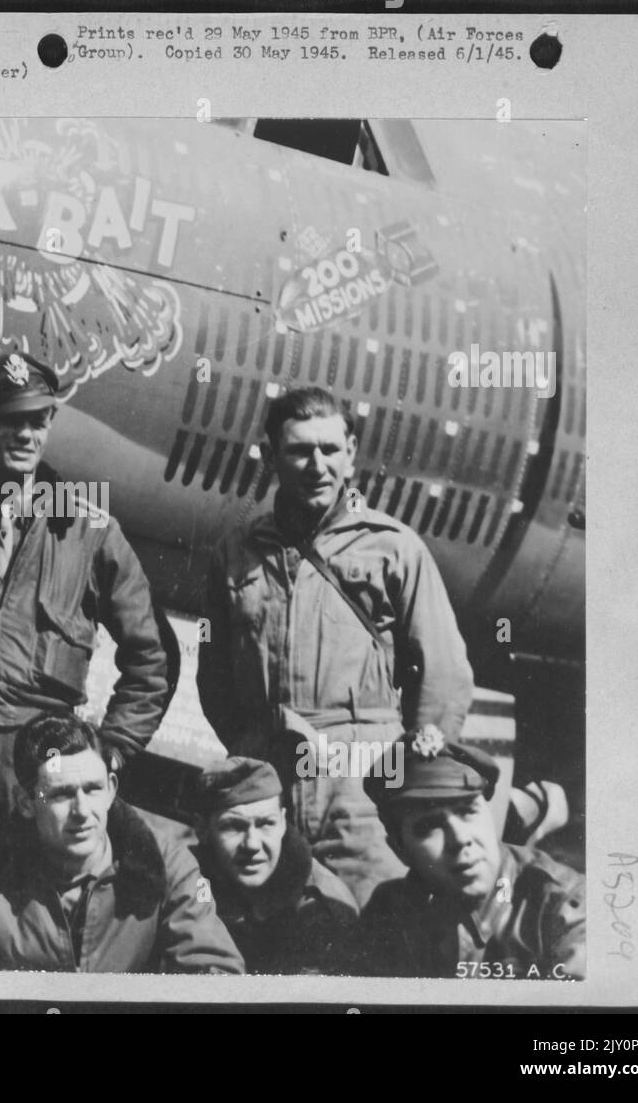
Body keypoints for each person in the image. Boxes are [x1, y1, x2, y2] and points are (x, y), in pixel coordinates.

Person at [0, 350, 173, 967]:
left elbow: (148, 658)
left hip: (42, 755)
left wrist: (112, 748)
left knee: (38, 929)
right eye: (9, 420)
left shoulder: (88, 528)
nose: (25, 434)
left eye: (39, 420)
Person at [197, 385, 474, 905]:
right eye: (300, 451)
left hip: (364, 786)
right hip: (269, 788)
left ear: (351, 455)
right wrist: (254, 750)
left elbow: (444, 672)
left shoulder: (394, 548)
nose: (315, 465)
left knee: (378, 923)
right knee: (270, 936)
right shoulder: (236, 552)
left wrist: (412, 780)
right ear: (272, 456)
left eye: (329, 450)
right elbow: (213, 676)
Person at [0, 715, 244, 974]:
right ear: (26, 802)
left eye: (93, 789)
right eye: (61, 794)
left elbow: (216, 973)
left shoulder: (168, 866)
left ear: (111, 790)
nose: (82, 811)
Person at [351, 726, 585, 979]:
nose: (461, 839)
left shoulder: (556, 905)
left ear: (490, 814)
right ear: (400, 850)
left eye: (467, 811)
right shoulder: (391, 914)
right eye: (429, 826)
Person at [193, 756, 357, 974]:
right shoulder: (184, 881)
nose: (251, 844)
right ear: (201, 829)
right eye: (233, 826)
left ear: (282, 822)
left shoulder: (322, 907)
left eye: (266, 824)